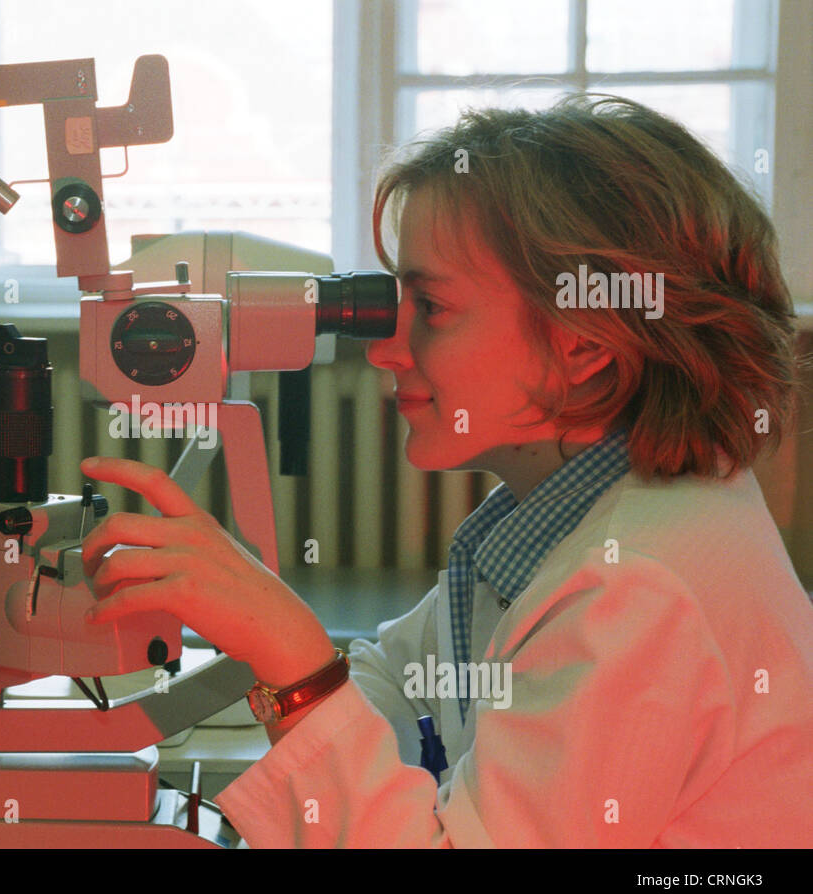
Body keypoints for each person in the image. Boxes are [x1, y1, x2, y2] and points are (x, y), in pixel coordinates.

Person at [78, 94, 813, 847]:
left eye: (430, 305)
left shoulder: (634, 593)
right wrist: (267, 635)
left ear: (585, 346)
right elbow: (400, 681)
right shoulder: (569, 518)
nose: (386, 350)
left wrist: (291, 660)